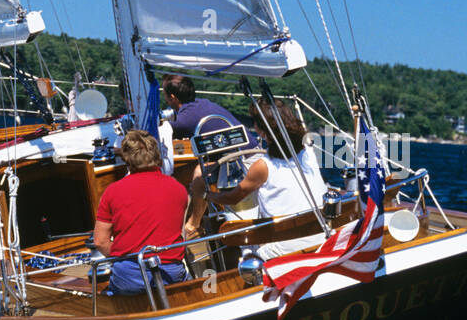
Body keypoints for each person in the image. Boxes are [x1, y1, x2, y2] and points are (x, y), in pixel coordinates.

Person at [205, 98, 327, 259]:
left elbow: (232, 198)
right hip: (321, 237)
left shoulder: (263, 166)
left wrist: (205, 194)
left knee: (247, 253)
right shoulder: (309, 151)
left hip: (286, 248)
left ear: (260, 130)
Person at [162, 74, 259, 238]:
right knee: (198, 172)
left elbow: (161, 134)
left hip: (243, 161)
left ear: (172, 97)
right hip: (250, 152)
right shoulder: (203, 103)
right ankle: (197, 222)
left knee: (199, 174)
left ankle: (193, 224)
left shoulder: (185, 119)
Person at [94, 129, 188, 295]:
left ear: (127, 159)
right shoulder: (178, 189)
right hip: (170, 273)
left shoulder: (112, 192)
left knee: (105, 290)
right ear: (156, 155)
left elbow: (100, 242)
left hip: (130, 276)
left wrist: (122, 255)